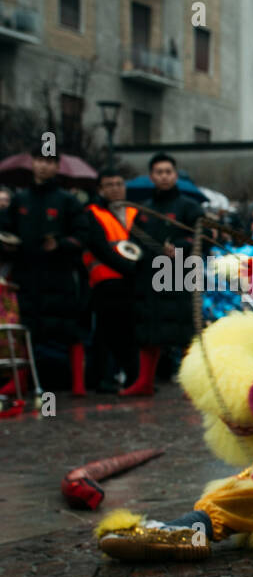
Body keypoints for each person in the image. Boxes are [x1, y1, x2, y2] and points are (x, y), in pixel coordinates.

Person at [0, 145, 88, 396]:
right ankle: (22, 380)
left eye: (49, 161)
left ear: (57, 166)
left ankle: (78, 384)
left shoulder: (68, 201)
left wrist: (60, 244)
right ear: (32, 163)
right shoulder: (19, 200)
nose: (44, 165)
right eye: (40, 160)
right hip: (26, 274)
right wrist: (7, 244)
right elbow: (6, 231)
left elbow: (82, 236)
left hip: (60, 276)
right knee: (25, 330)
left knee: (70, 329)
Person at [120, 151, 203, 397]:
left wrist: (180, 248)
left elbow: (201, 238)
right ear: (151, 176)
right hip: (148, 276)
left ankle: (193, 384)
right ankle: (144, 381)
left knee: (185, 331)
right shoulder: (143, 209)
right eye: (159, 172)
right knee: (148, 331)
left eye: (168, 172)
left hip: (179, 273)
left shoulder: (190, 207)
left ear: (175, 175)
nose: (164, 177)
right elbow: (135, 240)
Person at [79, 168, 141, 393]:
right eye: (109, 185)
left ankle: (133, 377)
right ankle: (102, 379)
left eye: (119, 183)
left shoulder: (134, 212)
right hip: (106, 282)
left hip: (130, 282)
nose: (115, 188)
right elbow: (99, 247)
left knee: (131, 333)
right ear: (100, 189)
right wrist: (131, 268)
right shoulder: (92, 213)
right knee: (106, 333)